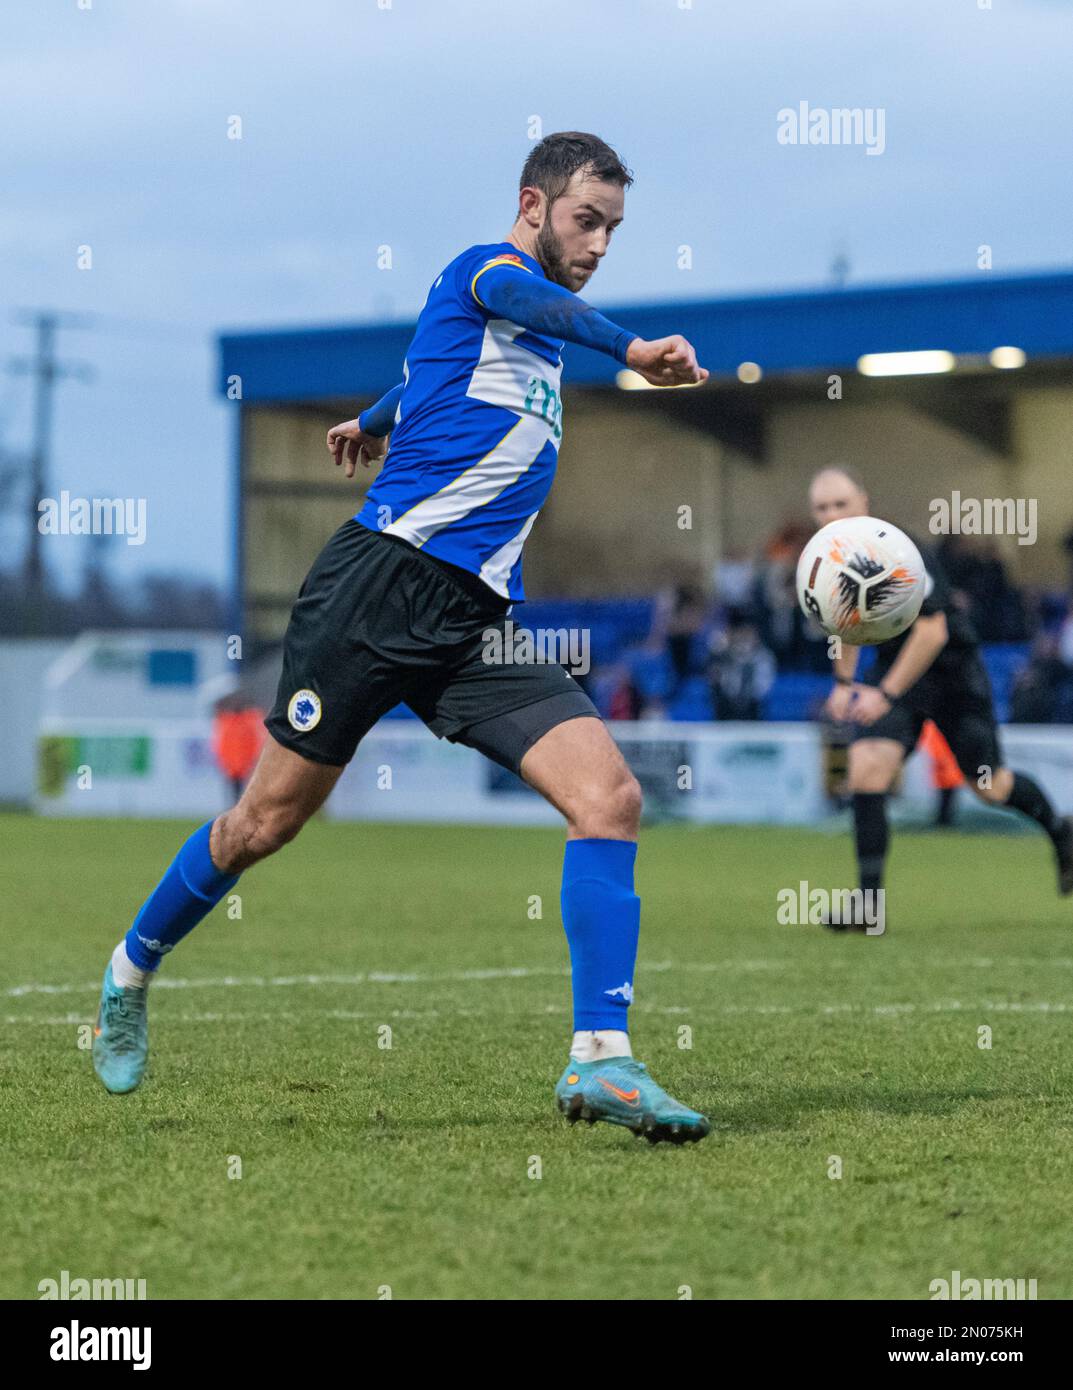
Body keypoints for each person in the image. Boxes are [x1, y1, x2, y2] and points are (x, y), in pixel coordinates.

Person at [92, 132, 711, 1144]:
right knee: (263, 824)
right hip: (374, 593)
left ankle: (602, 1059)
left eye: (613, 229)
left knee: (610, 797)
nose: (599, 243)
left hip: (472, 620)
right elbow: (525, 302)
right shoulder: (488, 273)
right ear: (532, 203)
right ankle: (128, 972)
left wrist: (373, 416)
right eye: (585, 220)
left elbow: (444, 363)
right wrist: (633, 348)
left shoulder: (517, 330)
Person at [807, 467, 1072, 930]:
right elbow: (845, 621)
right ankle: (869, 908)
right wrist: (845, 684)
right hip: (896, 676)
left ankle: (1062, 832)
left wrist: (885, 694)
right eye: (822, 507)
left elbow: (933, 630)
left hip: (952, 675)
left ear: (864, 502)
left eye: (840, 504)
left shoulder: (899, 550)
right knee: (867, 766)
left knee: (989, 787)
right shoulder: (831, 559)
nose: (831, 515)